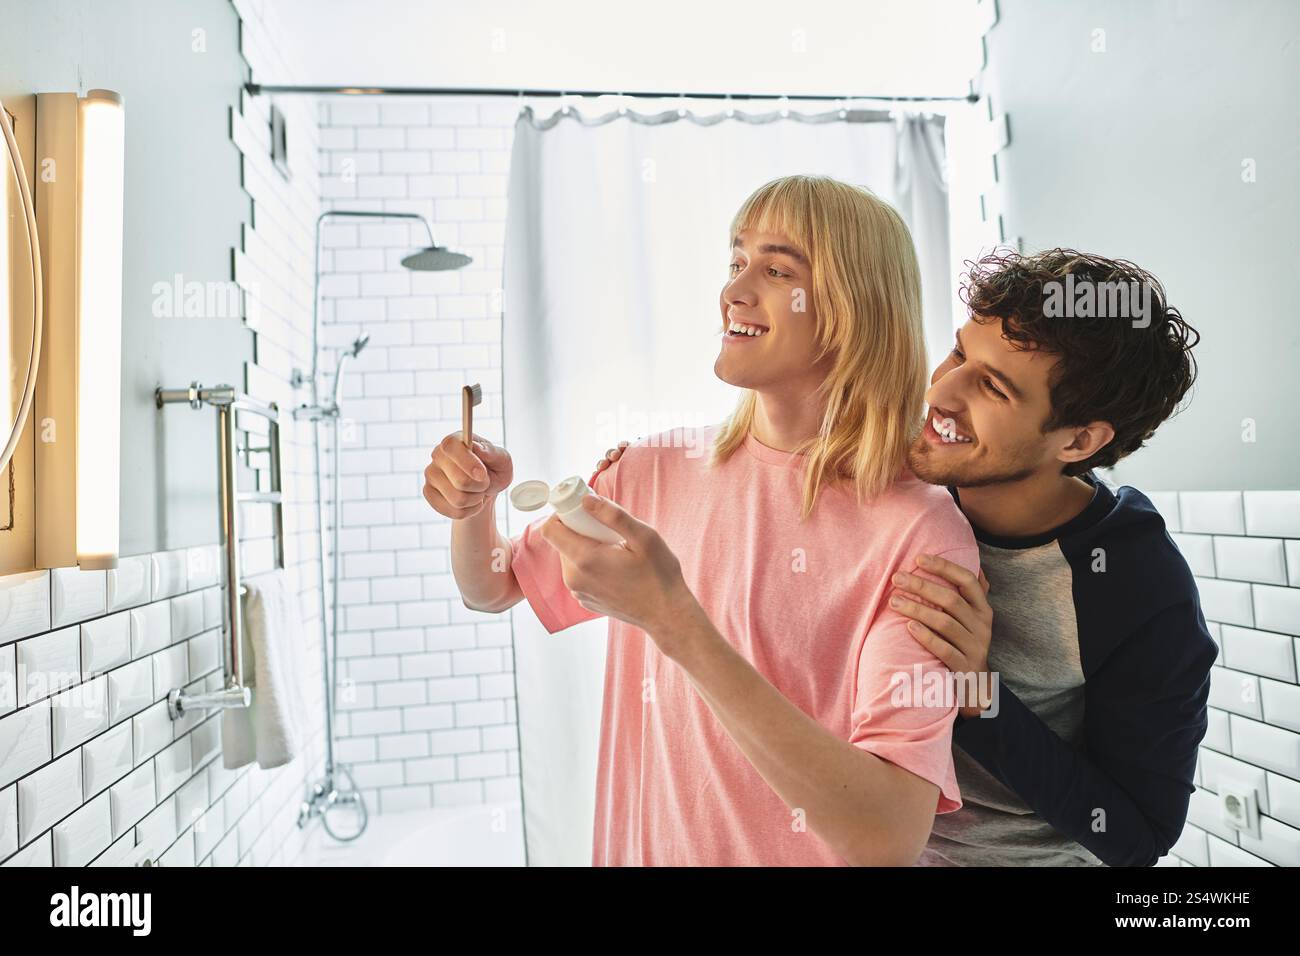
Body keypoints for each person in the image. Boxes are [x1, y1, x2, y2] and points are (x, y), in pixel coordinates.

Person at [422, 175, 979, 865]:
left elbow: (887, 835)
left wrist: (672, 620)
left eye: (777, 270)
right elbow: (493, 586)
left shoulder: (921, 530)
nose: (735, 291)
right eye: (735, 261)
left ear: (856, 308)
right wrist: (473, 507)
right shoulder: (652, 471)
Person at [597, 248, 1218, 866]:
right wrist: (653, 475)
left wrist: (980, 695)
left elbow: (1137, 834)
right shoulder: (905, 476)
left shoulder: (1137, 586)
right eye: (959, 354)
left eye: (993, 388)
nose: (942, 391)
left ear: (1079, 439)